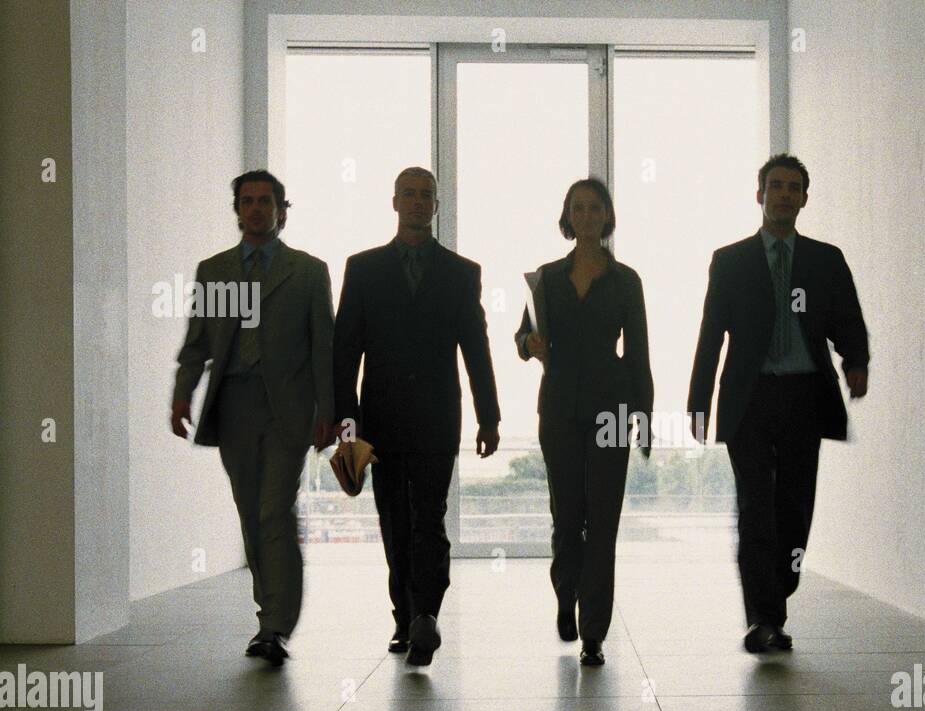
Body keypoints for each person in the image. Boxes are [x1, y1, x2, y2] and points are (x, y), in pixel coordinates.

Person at [687, 154, 869, 653]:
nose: (784, 194)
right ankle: (763, 618)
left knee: (794, 508)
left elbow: (846, 318)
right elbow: (710, 336)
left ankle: (778, 589)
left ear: (805, 198)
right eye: (776, 186)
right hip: (750, 399)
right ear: (759, 194)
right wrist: (698, 402)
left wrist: (857, 361)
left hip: (804, 398)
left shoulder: (825, 260)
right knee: (755, 507)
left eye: (794, 187)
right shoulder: (731, 260)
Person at [333, 167, 501, 667]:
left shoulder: (461, 272)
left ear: (436, 206)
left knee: (430, 519)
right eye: (408, 193)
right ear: (394, 202)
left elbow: (477, 349)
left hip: (435, 419)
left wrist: (488, 417)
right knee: (394, 522)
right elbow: (345, 354)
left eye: (426, 195)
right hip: (378, 422)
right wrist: (347, 426)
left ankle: (425, 614)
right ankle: (403, 616)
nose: (416, 202)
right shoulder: (362, 269)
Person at [171, 169, 335, 665]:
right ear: (238, 210)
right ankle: (268, 614)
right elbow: (198, 344)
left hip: (287, 408)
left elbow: (323, 348)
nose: (257, 209)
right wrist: (182, 396)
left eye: (266, 201)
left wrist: (329, 413)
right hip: (235, 406)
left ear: (282, 211)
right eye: (248, 201)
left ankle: (276, 625)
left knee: (273, 510)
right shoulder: (216, 271)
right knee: (250, 511)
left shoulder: (307, 272)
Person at [514, 178, 653, 666]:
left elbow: (638, 354)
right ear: (567, 216)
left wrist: (645, 416)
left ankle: (594, 631)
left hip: (611, 408)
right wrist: (529, 345)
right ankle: (565, 594)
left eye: (595, 208)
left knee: (604, 519)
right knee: (567, 517)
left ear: (607, 216)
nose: (587, 215)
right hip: (558, 409)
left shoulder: (626, 280)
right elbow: (523, 335)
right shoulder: (546, 279)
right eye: (579, 208)